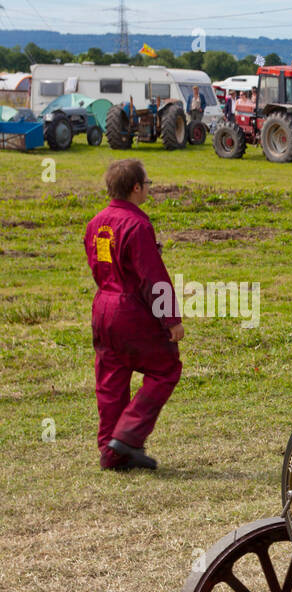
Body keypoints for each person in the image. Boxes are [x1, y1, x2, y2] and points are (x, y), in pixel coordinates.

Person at [83, 159, 183, 470]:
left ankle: (112, 454)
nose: (149, 189)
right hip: (130, 308)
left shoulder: (96, 223)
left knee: (111, 378)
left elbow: (102, 263)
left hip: (103, 306)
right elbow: (152, 277)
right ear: (136, 187)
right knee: (165, 368)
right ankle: (127, 437)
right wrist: (171, 319)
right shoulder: (137, 225)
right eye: (147, 184)